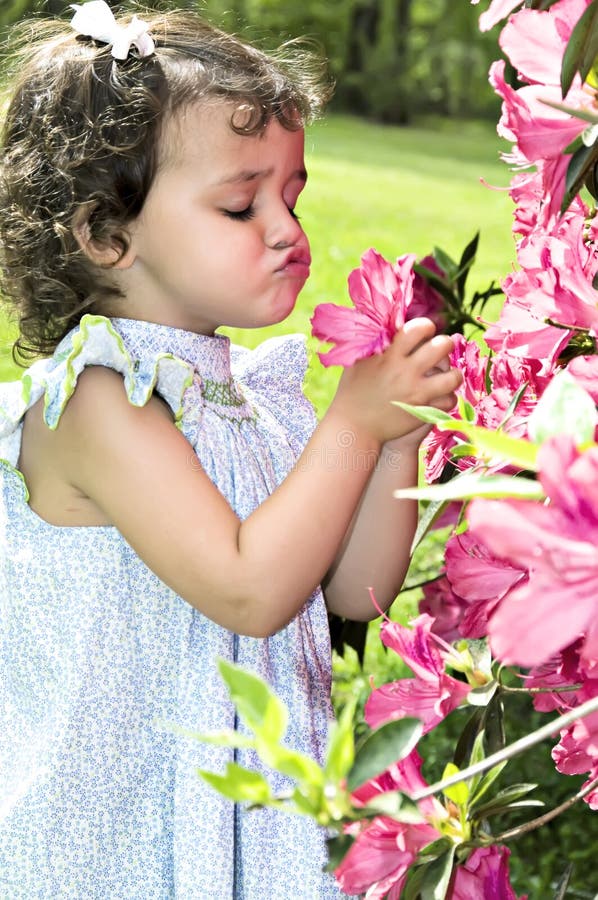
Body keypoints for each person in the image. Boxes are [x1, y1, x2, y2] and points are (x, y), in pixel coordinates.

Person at [0, 3, 461, 897]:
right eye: (241, 203)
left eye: (291, 195)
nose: (286, 229)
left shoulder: (248, 392)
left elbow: (351, 590)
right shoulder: (99, 400)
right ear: (106, 235)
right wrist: (351, 428)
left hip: (235, 814)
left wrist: (394, 442)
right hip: (119, 828)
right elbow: (251, 589)